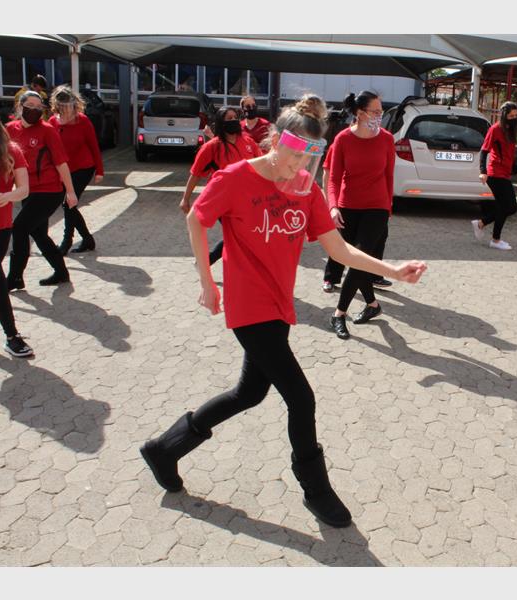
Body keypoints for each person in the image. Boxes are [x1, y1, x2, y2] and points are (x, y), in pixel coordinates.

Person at [140, 94, 426, 528]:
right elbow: (197, 219)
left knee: (249, 393)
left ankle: (164, 448)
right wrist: (205, 283)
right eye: (291, 156)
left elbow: (338, 248)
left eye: (307, 159)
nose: (296, 168)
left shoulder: (305, 189)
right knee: (301, 397)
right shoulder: (236, 178)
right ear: (275, 139)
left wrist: (394, 271)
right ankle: (316, 488)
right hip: (247, 304)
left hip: (279, 303)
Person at [327, 91, 395, 339]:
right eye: (375, 112)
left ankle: (338, 313)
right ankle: (373, 305)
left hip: (376, 208)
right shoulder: (343, 139)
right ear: (360, 113)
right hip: (348, 208)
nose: (379, 116)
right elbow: (333, 178)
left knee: (360, 258)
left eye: (381, 111)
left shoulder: (387, 139)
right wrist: (333, 206)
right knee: (356, 260)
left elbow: (389, 176)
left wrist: (387, 209)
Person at [6, 91, 77, 289]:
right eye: (31, 106)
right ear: (20, 107)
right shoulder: (9, 130)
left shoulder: (47, 130)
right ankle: (61, 272)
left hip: (49, 191)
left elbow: (61, 163)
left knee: (19, 228)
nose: (35, 110)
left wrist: (70, 192)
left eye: (39, 108)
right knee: (38, 233)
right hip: (26, 191)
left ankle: (15, 277)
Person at [180, 106, 261, 265]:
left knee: (241, 234)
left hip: (247, 199)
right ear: (221, 123)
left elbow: (262, 164)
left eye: (235, 118)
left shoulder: (248, 142)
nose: (234, 121)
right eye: (229, 119)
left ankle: (207, 261)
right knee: (238, 234)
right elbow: (195, 174)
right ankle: (227, 264)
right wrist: (185, 199)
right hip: (222, 200)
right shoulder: (212, 147)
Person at [0, 98, 33, 357]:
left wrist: (8, 196)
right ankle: (12, 336)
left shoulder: (10, 150)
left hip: (1, 227)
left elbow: (24, 188)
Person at [321, 143, 393, 293]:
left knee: (379, 238)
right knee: (342, 242)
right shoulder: (342, 142)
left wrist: (387, 204)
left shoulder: (381, 141)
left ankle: (373, 275)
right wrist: (331, 205)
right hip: (347, 203)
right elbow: (328, 174)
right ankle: (331, 277)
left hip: (375, 204)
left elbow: (387, 174)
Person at [48, 86, 104, 255]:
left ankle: (67, 241)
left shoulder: (83, 121)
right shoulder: (52, 122)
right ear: (57, 106)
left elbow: (94, 146)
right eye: (63, 106)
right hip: (63, 170)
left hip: (83, 167)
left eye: (70, 105)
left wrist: (100, 171)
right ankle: (87, 239)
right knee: (69, 205)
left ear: (74, 103)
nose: (67, 109)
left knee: (68, 204)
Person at [472, 101, 517, 250]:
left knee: (505, 207)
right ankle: (493, 238)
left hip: (505, 173)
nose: (514, 118)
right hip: (495, 173)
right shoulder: (495, 129)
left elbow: (509, 154)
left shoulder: (510, 129)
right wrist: (483, 172)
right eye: (511, 116)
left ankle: (483, 226)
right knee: (510, 207)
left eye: (516, 116)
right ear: (504, 115)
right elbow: (484, 150)